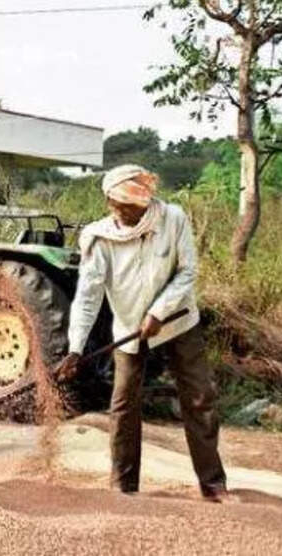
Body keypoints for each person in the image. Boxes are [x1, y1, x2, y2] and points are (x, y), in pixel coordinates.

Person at [57, 164, 230, 502]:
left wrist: (158, 312)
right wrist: (75, 348)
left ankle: (213, 485)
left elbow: (187, 272)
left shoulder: (173, 219)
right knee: (123, 404)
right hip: (129, 327)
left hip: (179, 321)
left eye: (139, 208)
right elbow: (88, 296)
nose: (133, 214)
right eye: (125, 207)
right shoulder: (98, 237)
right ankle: (123, 487)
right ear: (110, 202)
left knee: (199, 398)